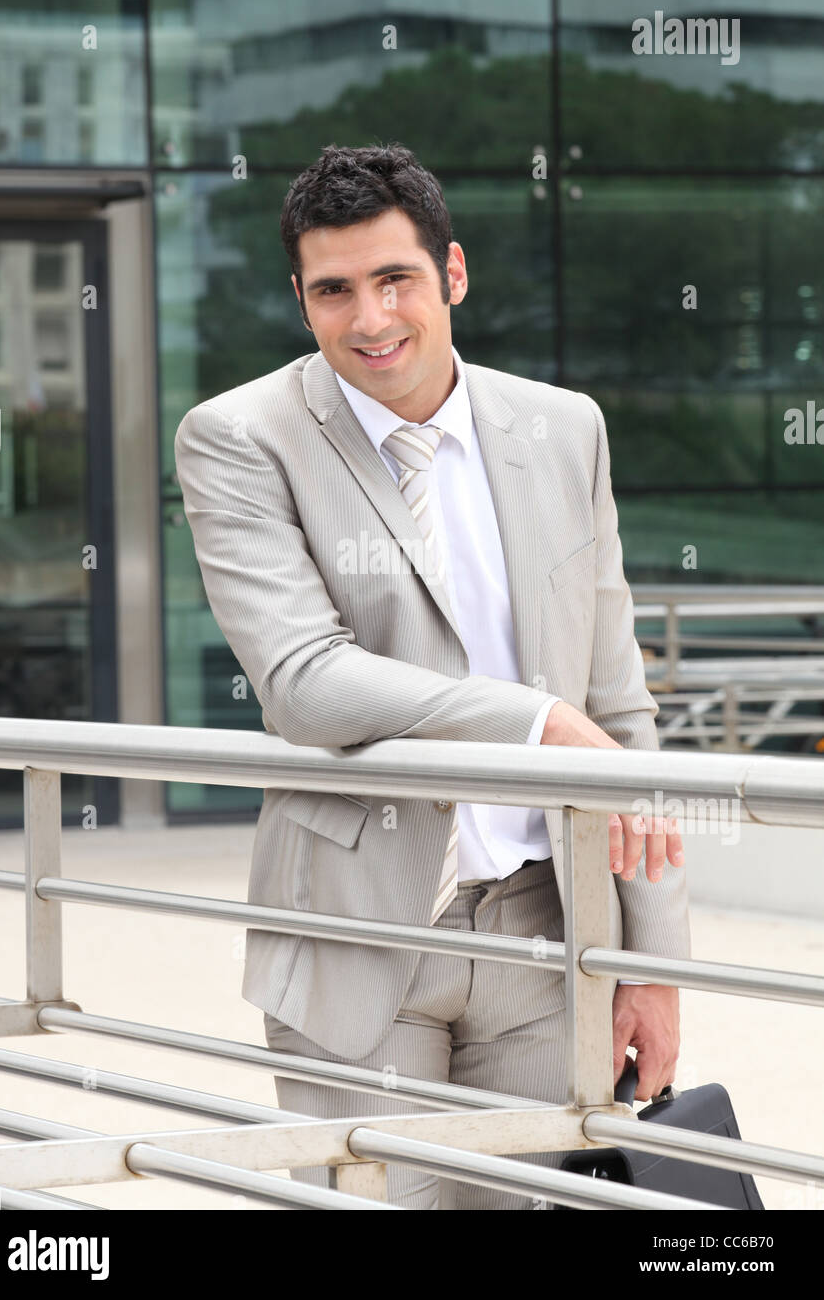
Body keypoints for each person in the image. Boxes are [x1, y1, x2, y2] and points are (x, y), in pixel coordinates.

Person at [174, 142, 690, 1210]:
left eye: (394, 279)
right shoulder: (237, 439)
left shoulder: (561, 429)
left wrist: (649, 962)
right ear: (300, 299)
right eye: (334, 291)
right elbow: (305, 682)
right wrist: (533, 722)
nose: (369, 320)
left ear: (450, 273)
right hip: (363, 936)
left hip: (550, 934)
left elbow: (619, 712)